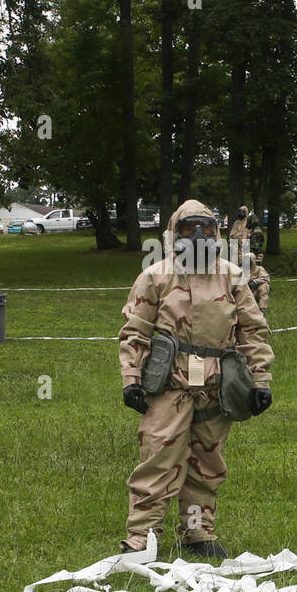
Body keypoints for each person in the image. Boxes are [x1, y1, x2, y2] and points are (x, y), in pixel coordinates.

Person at [118, 199, 274, 558]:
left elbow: (252, 332)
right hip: (169, 385)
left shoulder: (232, 276)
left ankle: (197, 532)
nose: (199, 235)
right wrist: (130, 377)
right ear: (175, 233)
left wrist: (261, 381)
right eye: (190, 229)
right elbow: (135, 331)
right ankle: (143, 537)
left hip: (216, 388)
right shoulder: (155, 276)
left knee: (207, 462)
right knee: (159, 456)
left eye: (206, 228)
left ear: (217, 233)